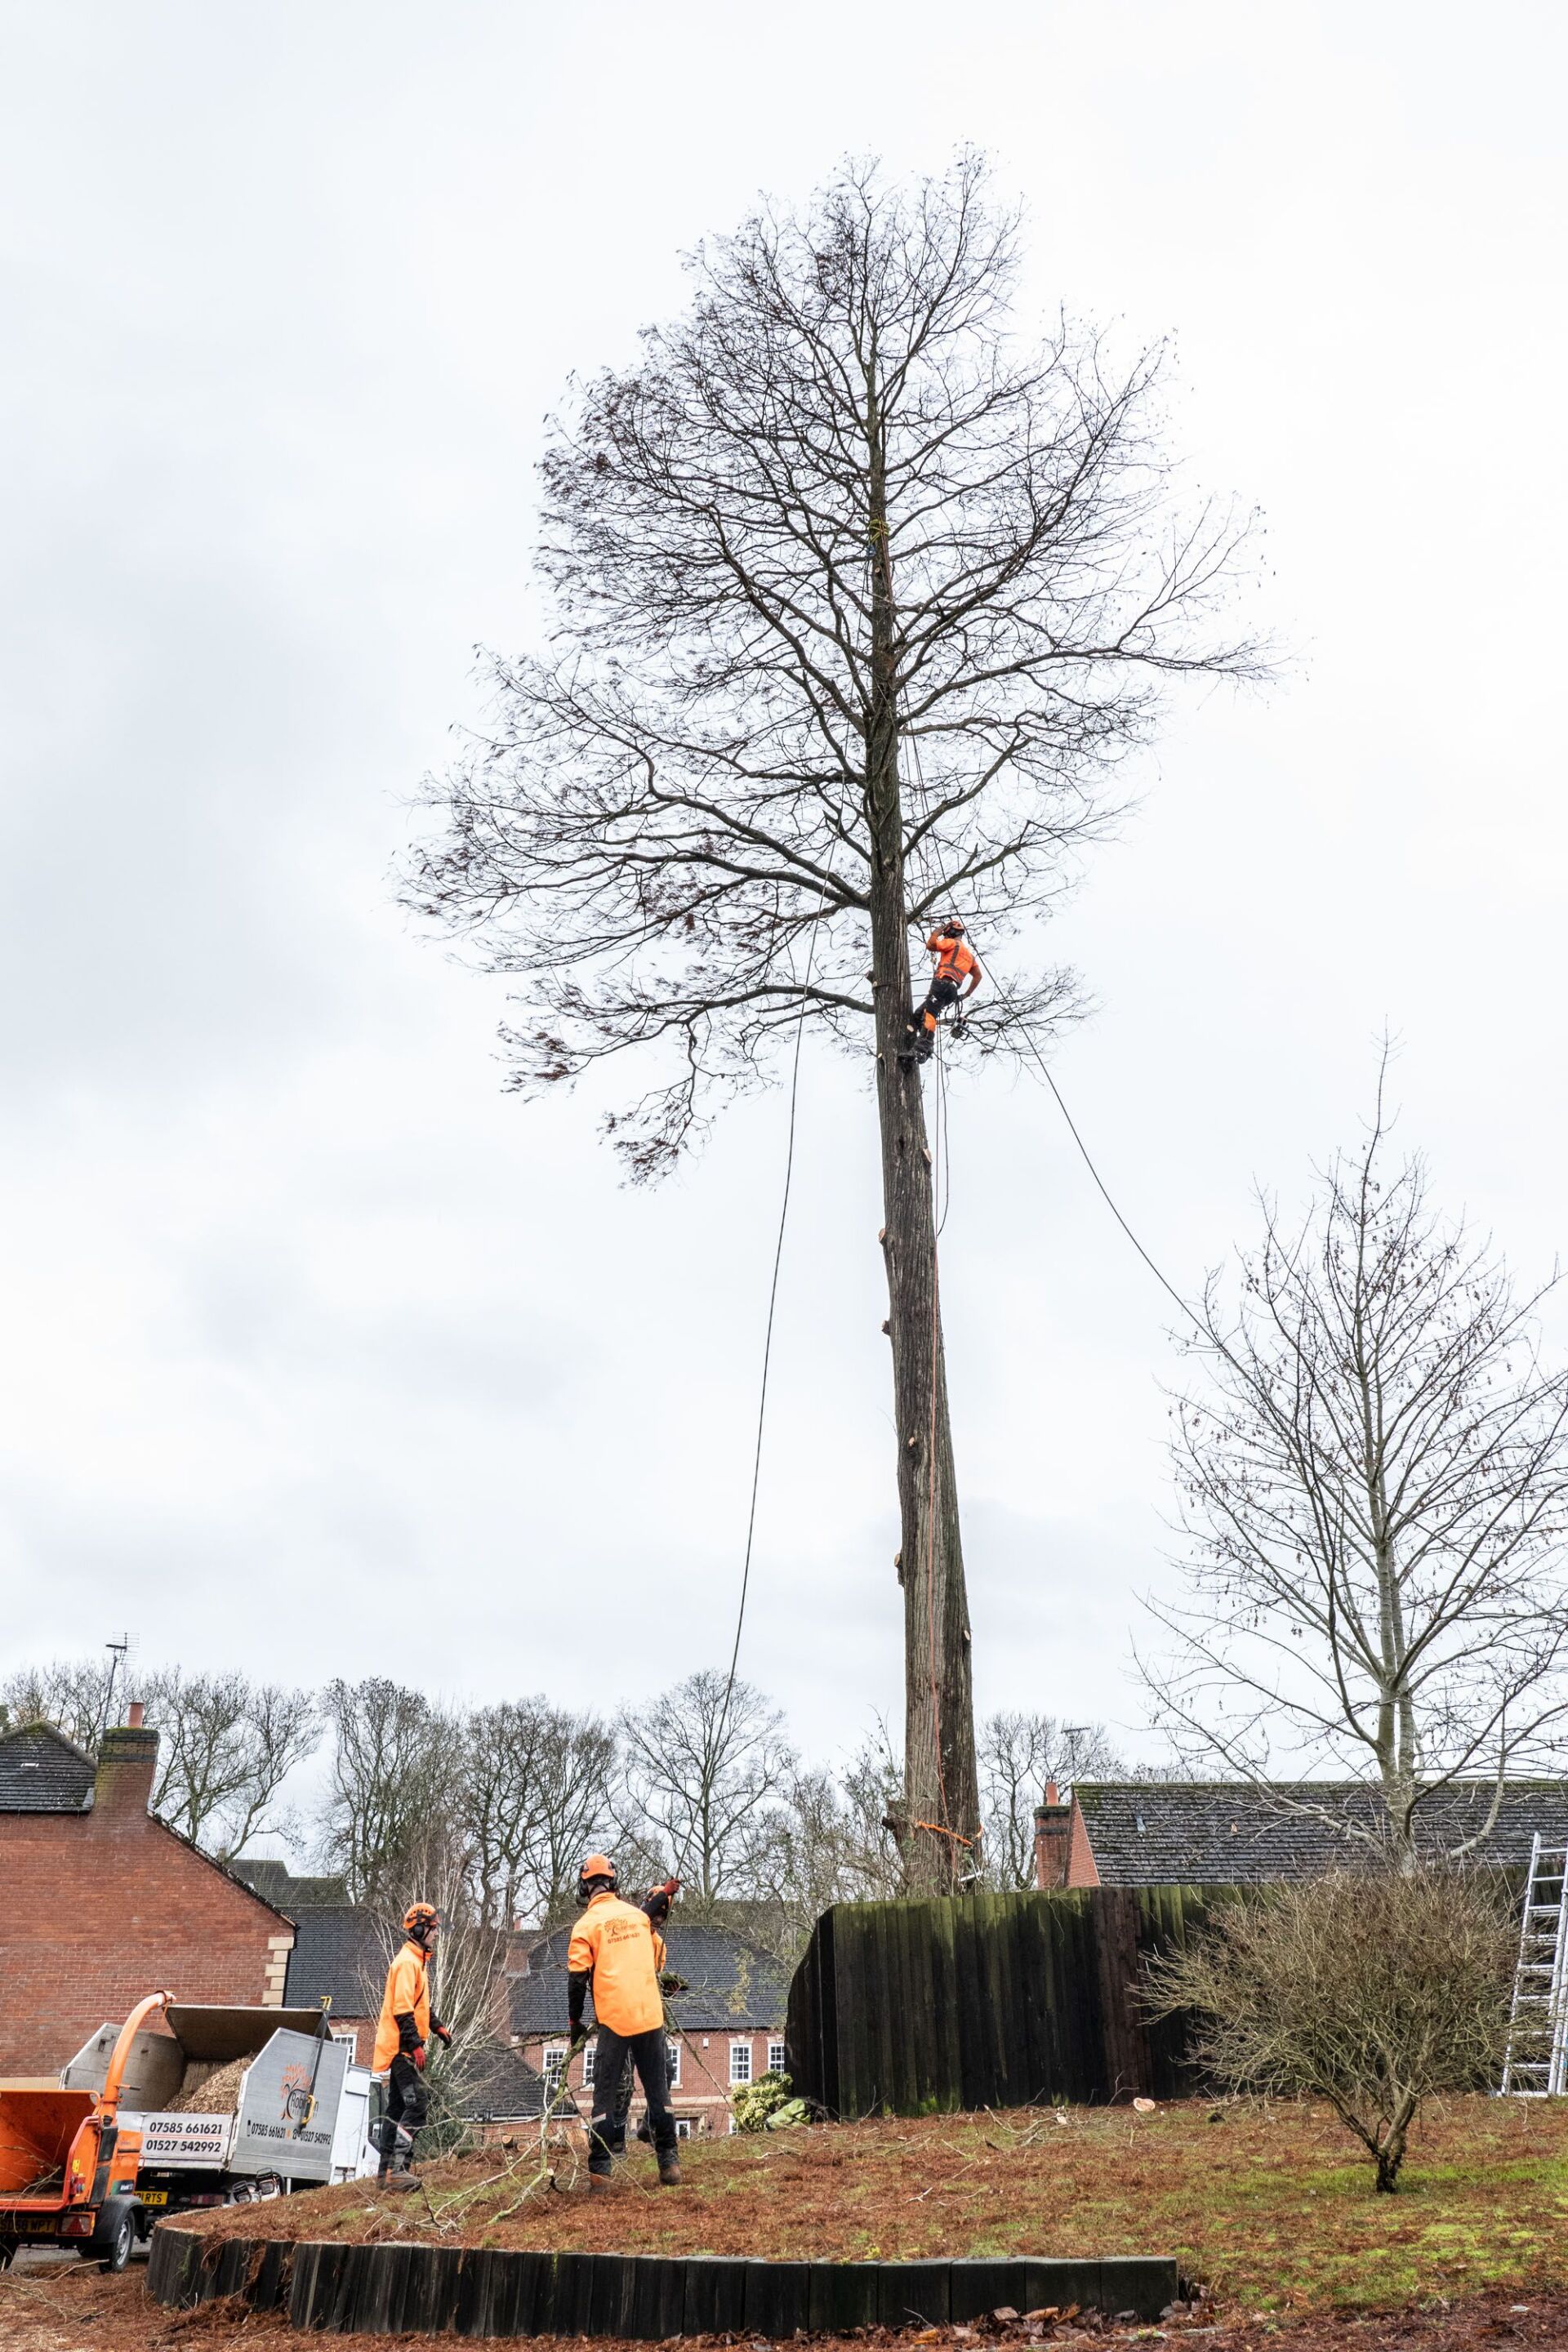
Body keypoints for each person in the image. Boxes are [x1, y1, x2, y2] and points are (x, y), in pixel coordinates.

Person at [568, 1856, 682, 2189]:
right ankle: (670, 2163)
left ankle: (600, 2171)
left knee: (603, 2095)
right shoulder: (638, 1917)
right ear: (614, 1883)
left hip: (614, 2020)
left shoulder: (585, 1926)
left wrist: (575, 2021)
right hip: (649, 2015)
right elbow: (651, 1964)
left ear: (584, 1886)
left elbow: (576, 1981)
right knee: (659, 2092)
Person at [371, 1900, 452, 2189]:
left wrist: (438, 2027)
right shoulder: (407, 1963)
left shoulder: (417, 1961)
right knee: (416, 2106)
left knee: (395, 2112)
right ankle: (399, 2170)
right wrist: (416, 2046)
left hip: (402, 2048)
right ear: (419, 1929)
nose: (436, 1934)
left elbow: (420, 2007)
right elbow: (402, 2011)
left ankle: (385, 2175)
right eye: (433, 1929)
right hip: (401, 2049)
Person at [906, 920, 982, 1061]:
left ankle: (921, 1050)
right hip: (952, 992)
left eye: (946, 934)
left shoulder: (953, 943)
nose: (945, 936)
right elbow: (978, 976)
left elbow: (931, 945)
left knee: (929, 1016)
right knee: (919, 1015)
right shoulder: (970, 957)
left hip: (942, 984)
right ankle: (924, 1045)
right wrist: (967, 994)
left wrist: (936, 933)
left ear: (951, 933)